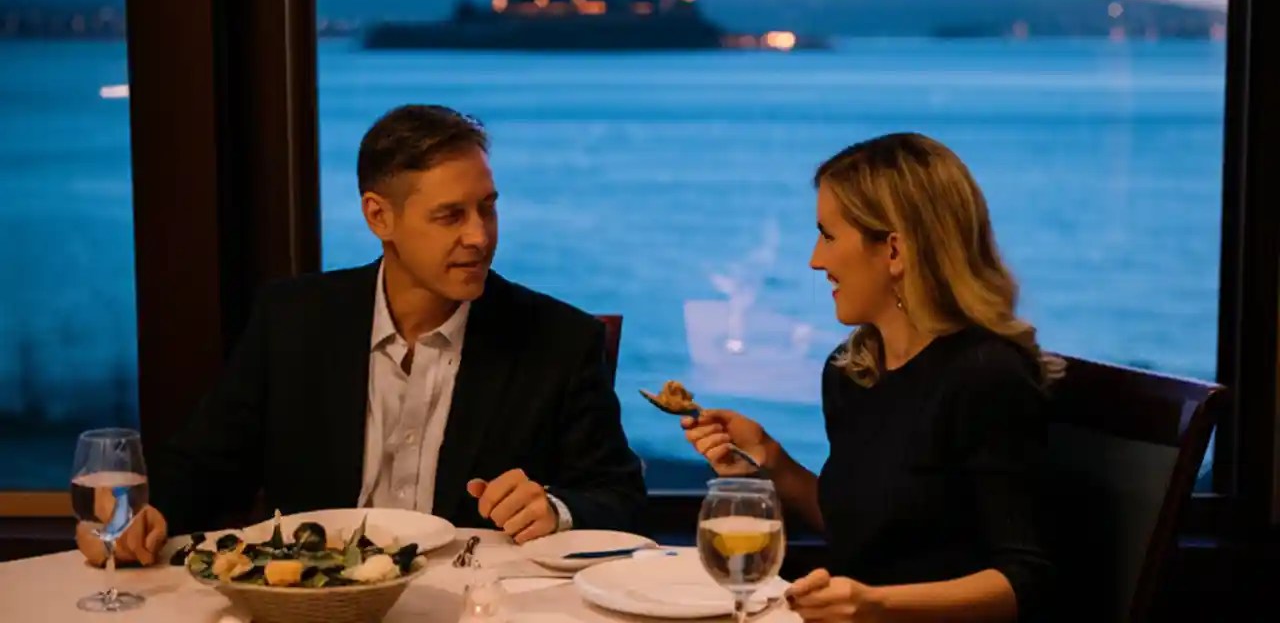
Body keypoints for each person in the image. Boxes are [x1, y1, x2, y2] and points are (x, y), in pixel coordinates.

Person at [78, 104, 646, 567]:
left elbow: (618, 495)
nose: (480, 236)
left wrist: (554, 508)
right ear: (379, 217)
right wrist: (142, 516)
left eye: (487, 209)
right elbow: (205, 467)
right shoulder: (292, 320)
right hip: (310, 603)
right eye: (451, 216)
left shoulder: (558, 339)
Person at [683, 133, 1057, 622]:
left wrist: (876, 606)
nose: (816, 259)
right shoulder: (853, 371)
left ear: (895, 251)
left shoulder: (987, 378)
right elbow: (869, 531)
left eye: (829, 235)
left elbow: (1025, 581)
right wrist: (772, 461)